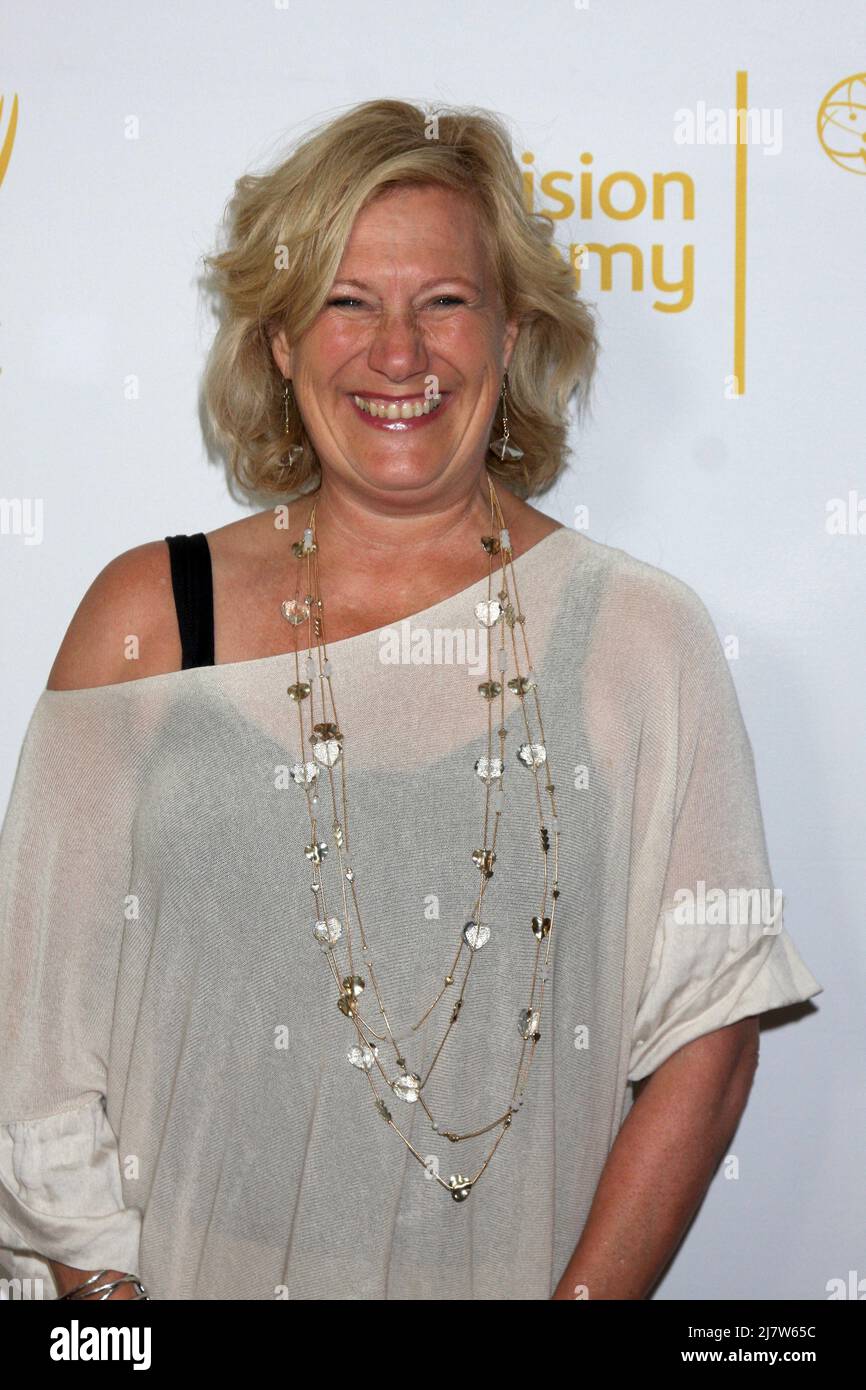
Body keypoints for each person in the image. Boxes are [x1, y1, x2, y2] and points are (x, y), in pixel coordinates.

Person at [0, 98, 821, 1301]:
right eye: (346, 301)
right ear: (279, 342)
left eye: (443, 302)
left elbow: (710, 1034)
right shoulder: (145, 615)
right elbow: (34, 1036)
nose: (398, 354)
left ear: (509, 335)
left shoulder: (640, 638)